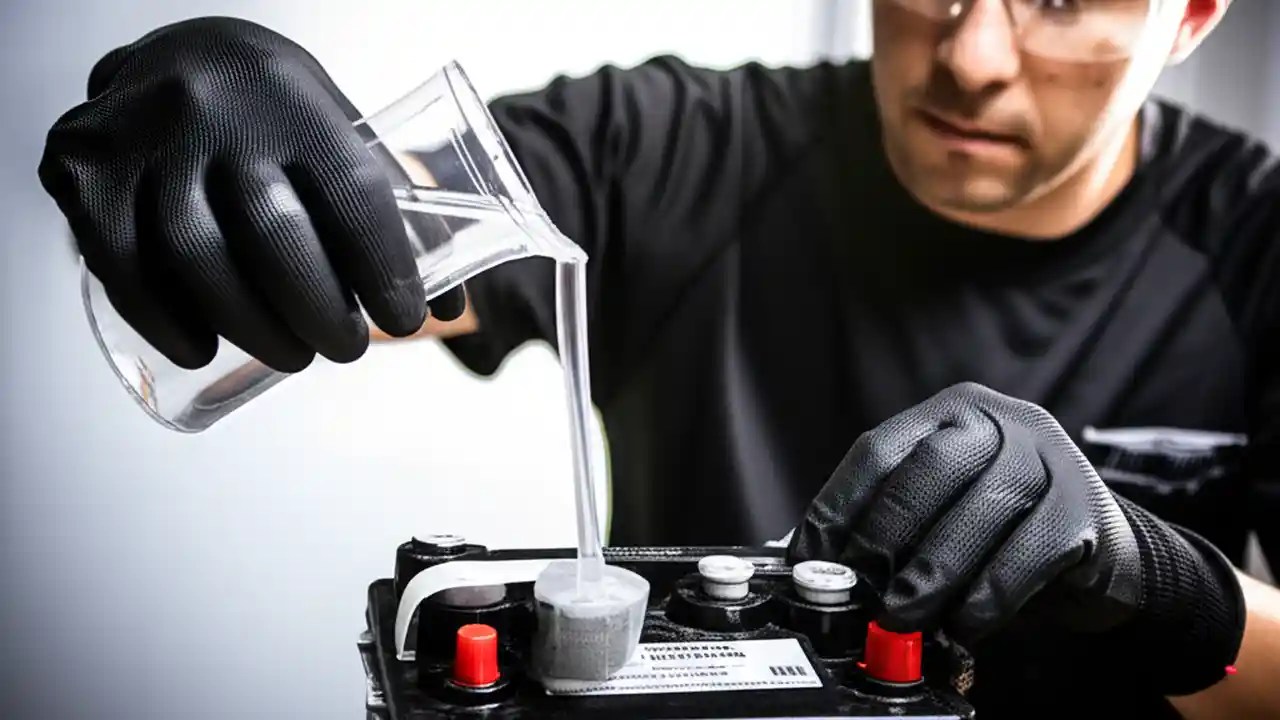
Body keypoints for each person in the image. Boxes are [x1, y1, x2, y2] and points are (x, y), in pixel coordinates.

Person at [36, 0, 1279, 717]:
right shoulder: (675, 144)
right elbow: (400, 222)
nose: (968, 56)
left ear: (1189, 16)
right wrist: (245, 164)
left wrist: (1171, 590)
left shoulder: (1254, 237)